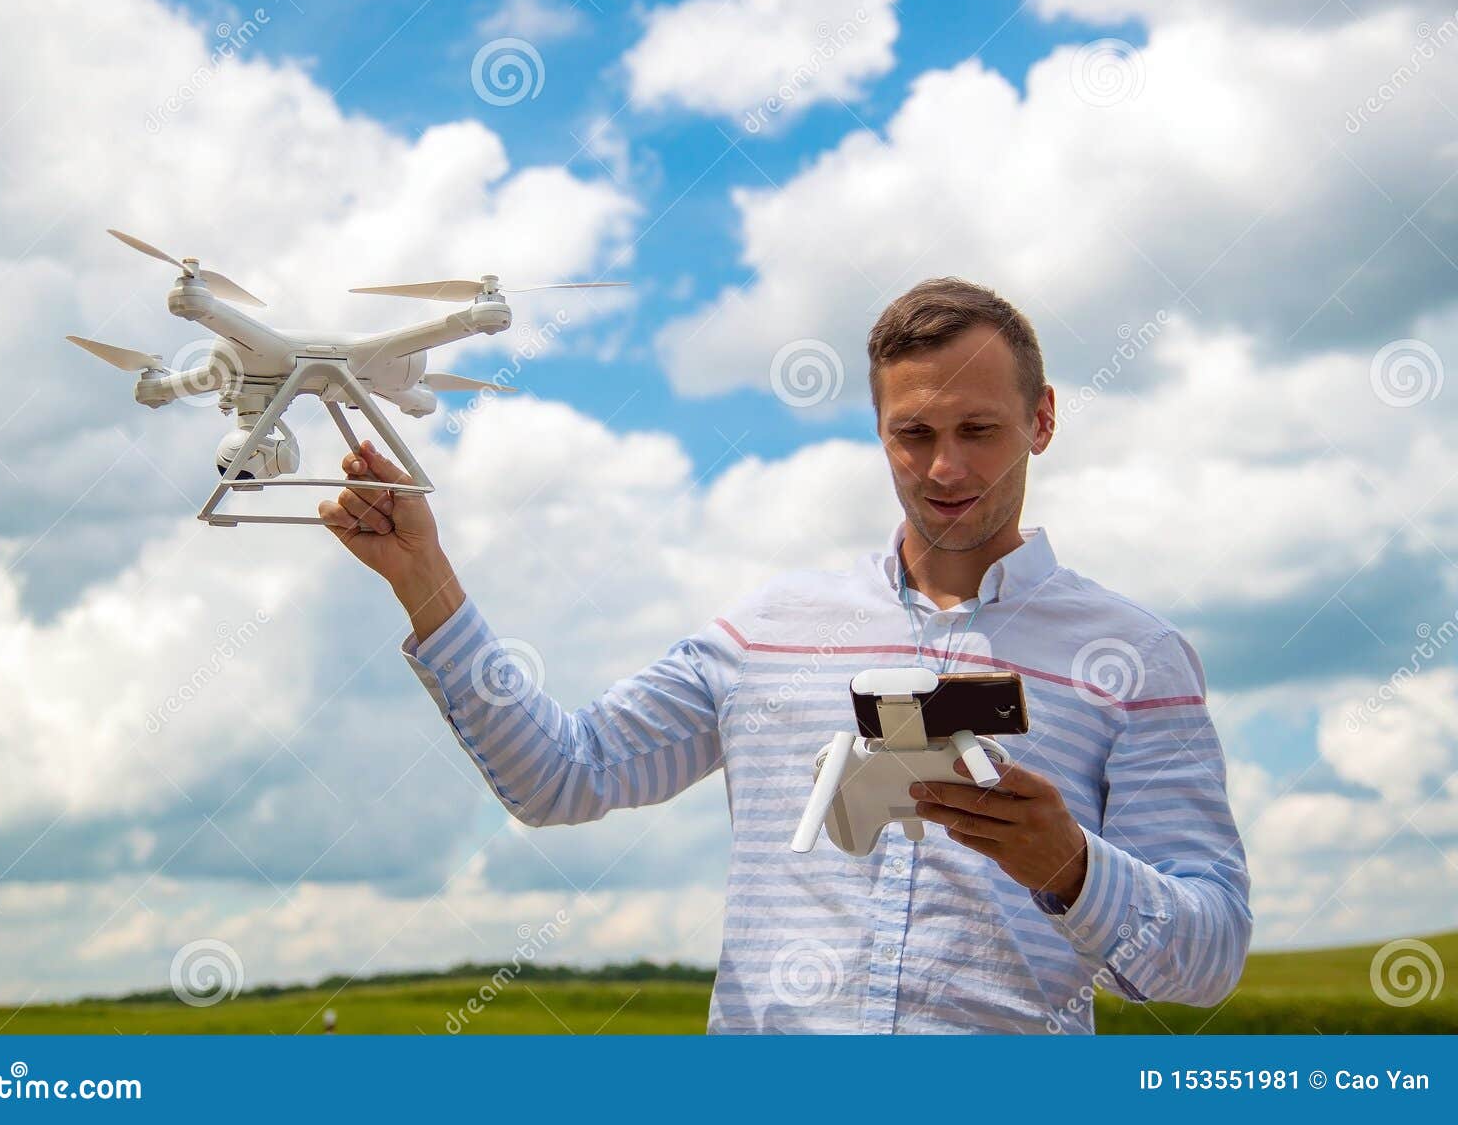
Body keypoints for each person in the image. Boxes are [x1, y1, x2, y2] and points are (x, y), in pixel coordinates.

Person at [318, 277, 1253, 1034]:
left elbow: (1209, 959)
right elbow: (565, 775)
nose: (946, 470)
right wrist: (424, 577)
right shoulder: (770, 630)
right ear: (878, 430)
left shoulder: (1134, 657)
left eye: (979, 431)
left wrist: (1072, 867)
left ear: (1042, 419)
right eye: (913, 434)